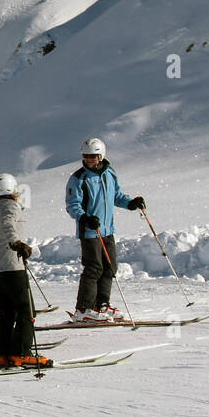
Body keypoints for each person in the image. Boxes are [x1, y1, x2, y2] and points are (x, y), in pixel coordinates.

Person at [64, 138, 144, 323]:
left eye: (92, 156)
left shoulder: (110, 173)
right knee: (94, 268)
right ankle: (83, 309)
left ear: (101, 155)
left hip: (107, 229)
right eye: (85, 156)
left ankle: (101, 305)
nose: (88, 159)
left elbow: (116, 195)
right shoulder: (78, 178)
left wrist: (130, 203)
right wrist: (84, 218)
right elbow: (72, 204)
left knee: (110, 267)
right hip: (90, 231)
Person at [0, 174, 49, 368]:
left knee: (7, 312)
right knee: (26, 311)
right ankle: (22, 353)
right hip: (12, 266)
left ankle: (3, 354)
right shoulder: (9, 206)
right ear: (13, 189)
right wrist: (16, 242)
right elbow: (8, 224)